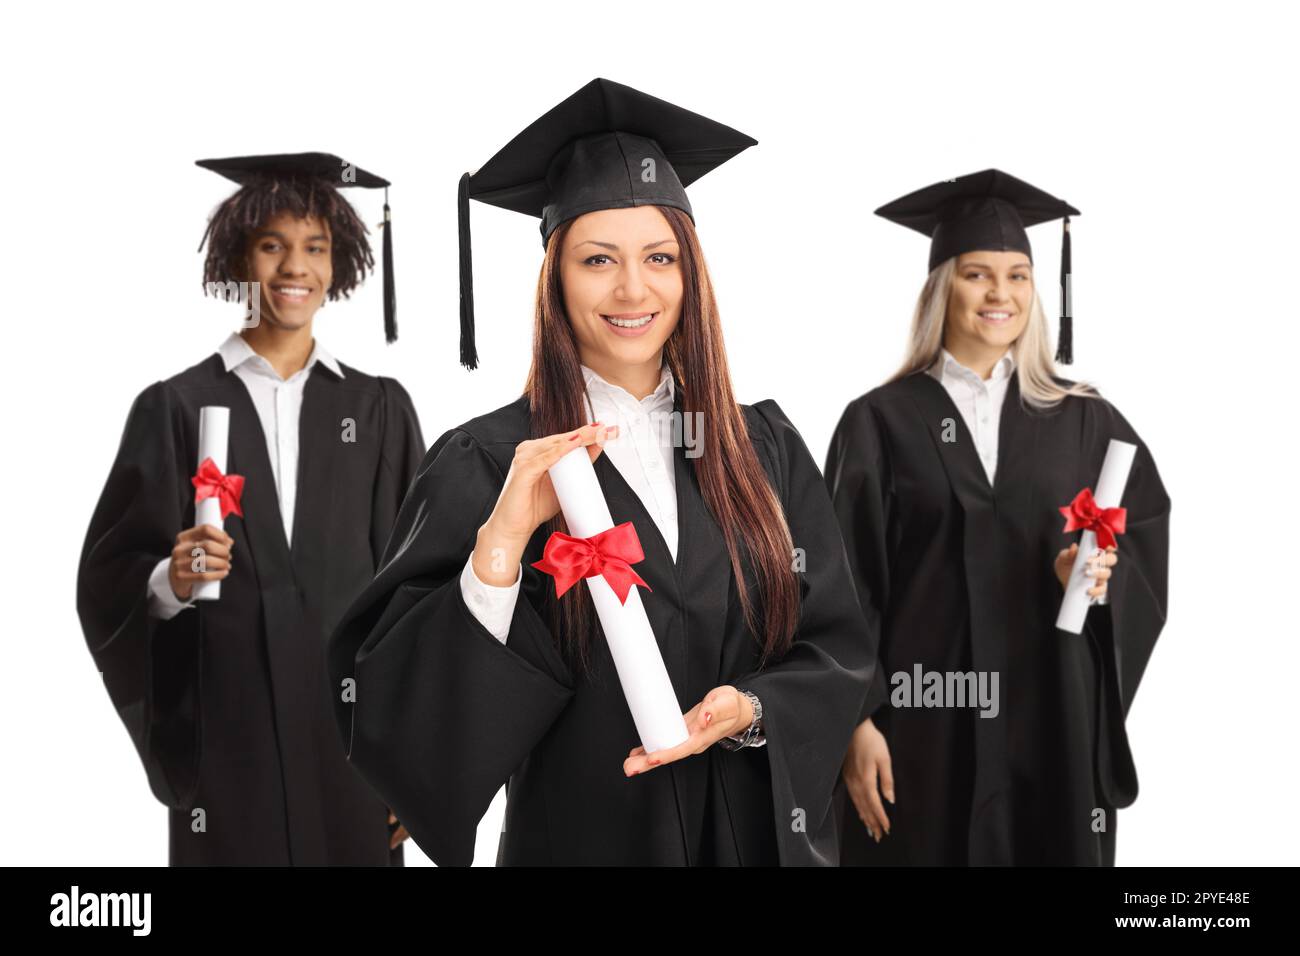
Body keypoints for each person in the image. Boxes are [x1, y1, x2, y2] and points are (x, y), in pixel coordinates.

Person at [328, 78, 878, 866]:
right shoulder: (489, 462)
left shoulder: (764, 449)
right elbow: (401, 721)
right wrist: (501, 548)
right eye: (597, 260)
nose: (633, 289)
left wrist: (751, 708)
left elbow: (838, 651)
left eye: (659, 257)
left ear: (689, 275)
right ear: (554, 277)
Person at [76, 152, 425, 865]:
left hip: (351, 750)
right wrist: (169, 582)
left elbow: (415, 597)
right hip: (227, 745)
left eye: (315, 248)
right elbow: (106, 578)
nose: (295, 267)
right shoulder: (174, 407)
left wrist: (414, 769)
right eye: (272, 246)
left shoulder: (378, 411)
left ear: (340, 262)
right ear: (239, 257)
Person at [828, 169, 1171, 866]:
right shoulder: (879, 421)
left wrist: (1096, 577)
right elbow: (839, 584)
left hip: (1052, 720)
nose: (1000, 295)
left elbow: (1141, 539)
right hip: (922, 727)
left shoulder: (1085, 418)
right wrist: (854, 722)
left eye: (1018, 276)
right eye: (977, 274)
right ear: (941, 289)